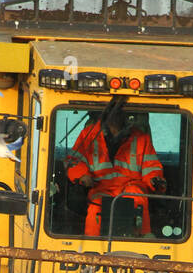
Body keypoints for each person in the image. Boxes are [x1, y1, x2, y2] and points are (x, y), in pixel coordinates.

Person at [65, 99, 165, 236]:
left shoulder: (141, 138)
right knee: (96, 207)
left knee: (138, 202)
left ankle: (144, 242)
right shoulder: (88, 136)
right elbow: (73, 161)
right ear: (104, 114)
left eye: (120, 112)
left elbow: (151, 166)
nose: (116, 116)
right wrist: (82, 175)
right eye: (113, 111)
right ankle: (91, 247)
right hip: (101, 187)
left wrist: (155, 180)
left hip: (132, 186)